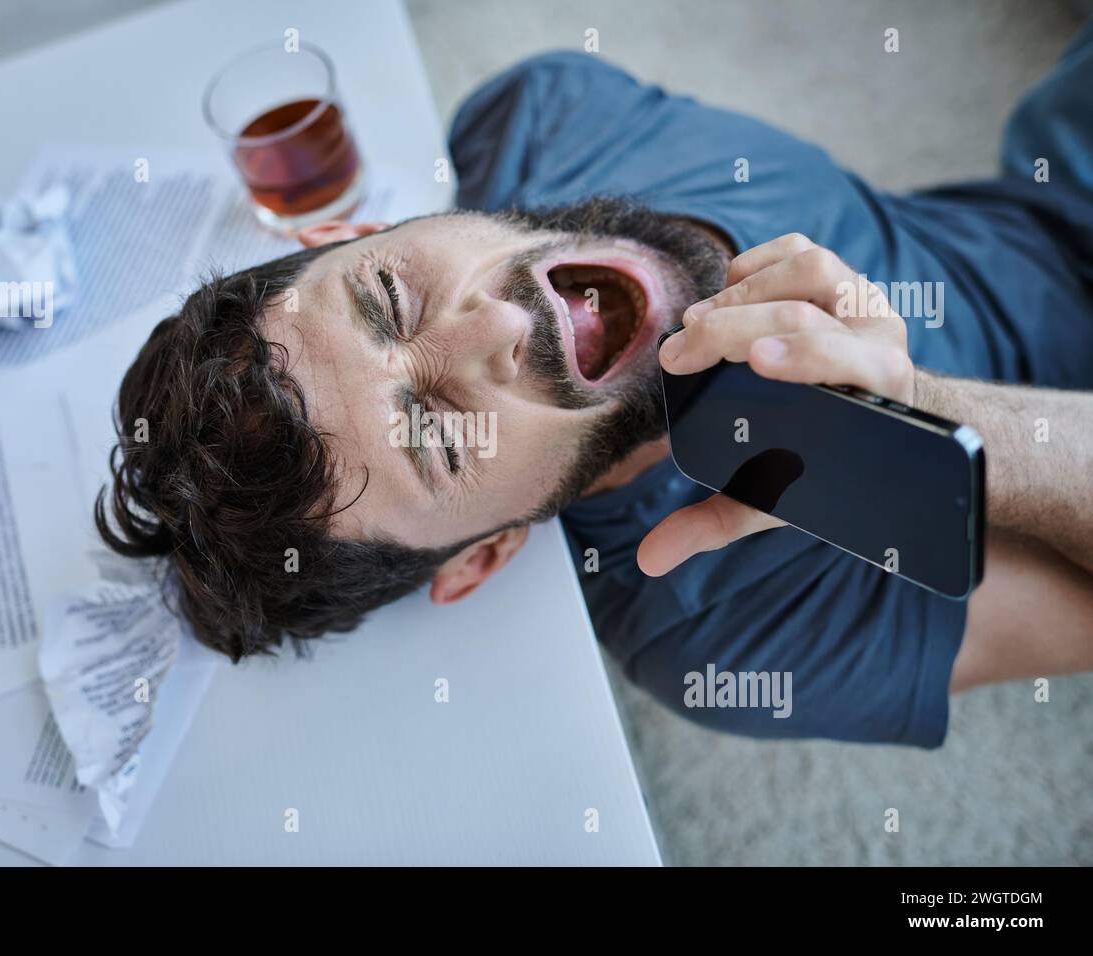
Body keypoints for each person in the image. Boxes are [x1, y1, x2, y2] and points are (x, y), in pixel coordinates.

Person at [97, 25, 1093, 748]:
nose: (499, 320)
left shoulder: (543, 115)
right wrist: (941, 426)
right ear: (487, 552)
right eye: (440, 437)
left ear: (364, 232)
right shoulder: (718, 631)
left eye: (388, 296)